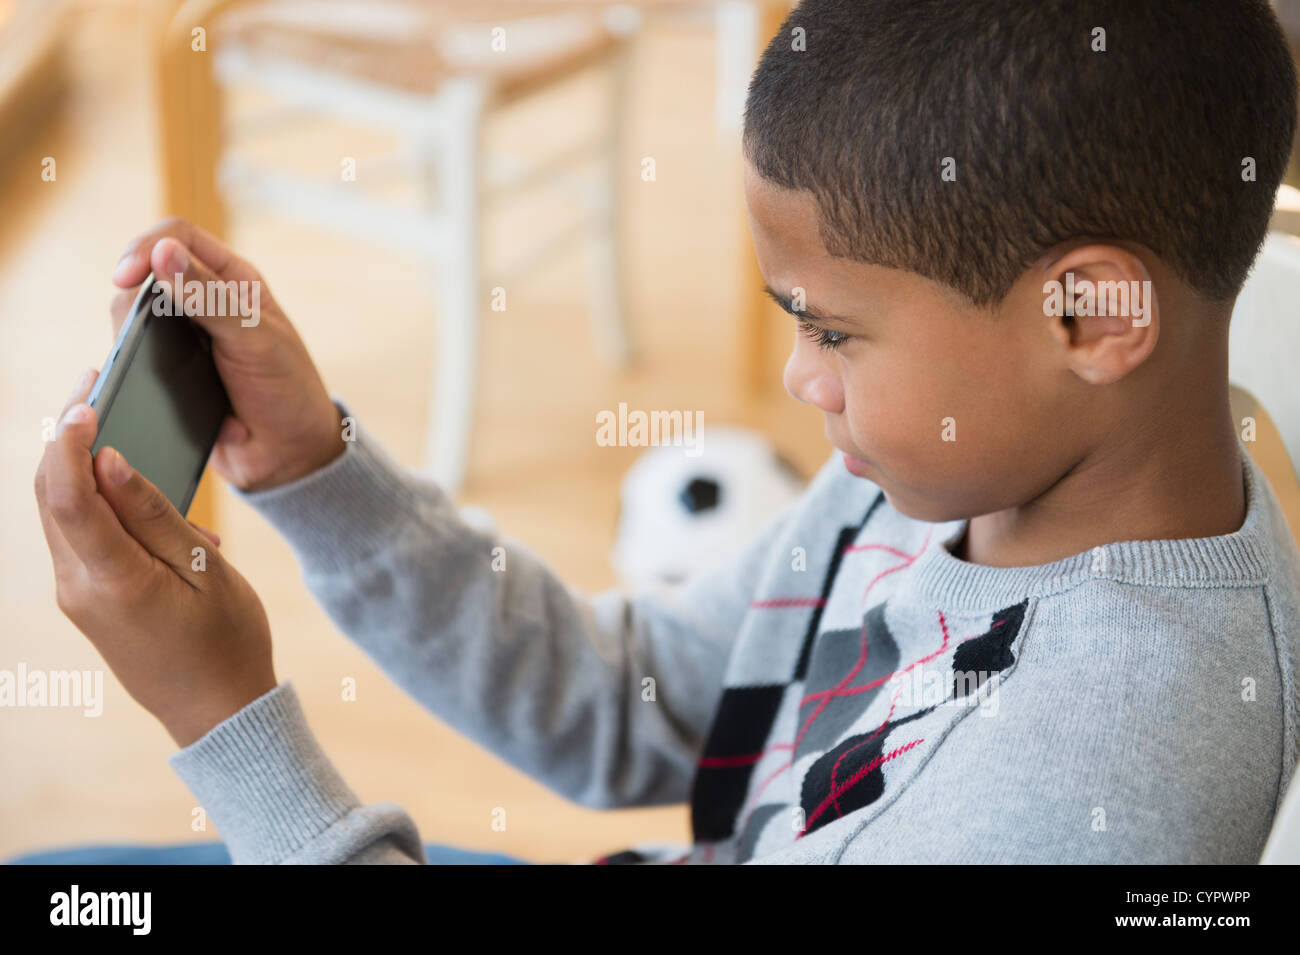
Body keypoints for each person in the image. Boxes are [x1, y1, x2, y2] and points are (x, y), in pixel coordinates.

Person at [29, 0, 1300, 864]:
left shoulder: (1092, 796)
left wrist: (225, 719)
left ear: (1088, 313)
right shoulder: (942, 478)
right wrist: (315, 468)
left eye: (834, 331)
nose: (800, 382)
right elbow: (619, 698)